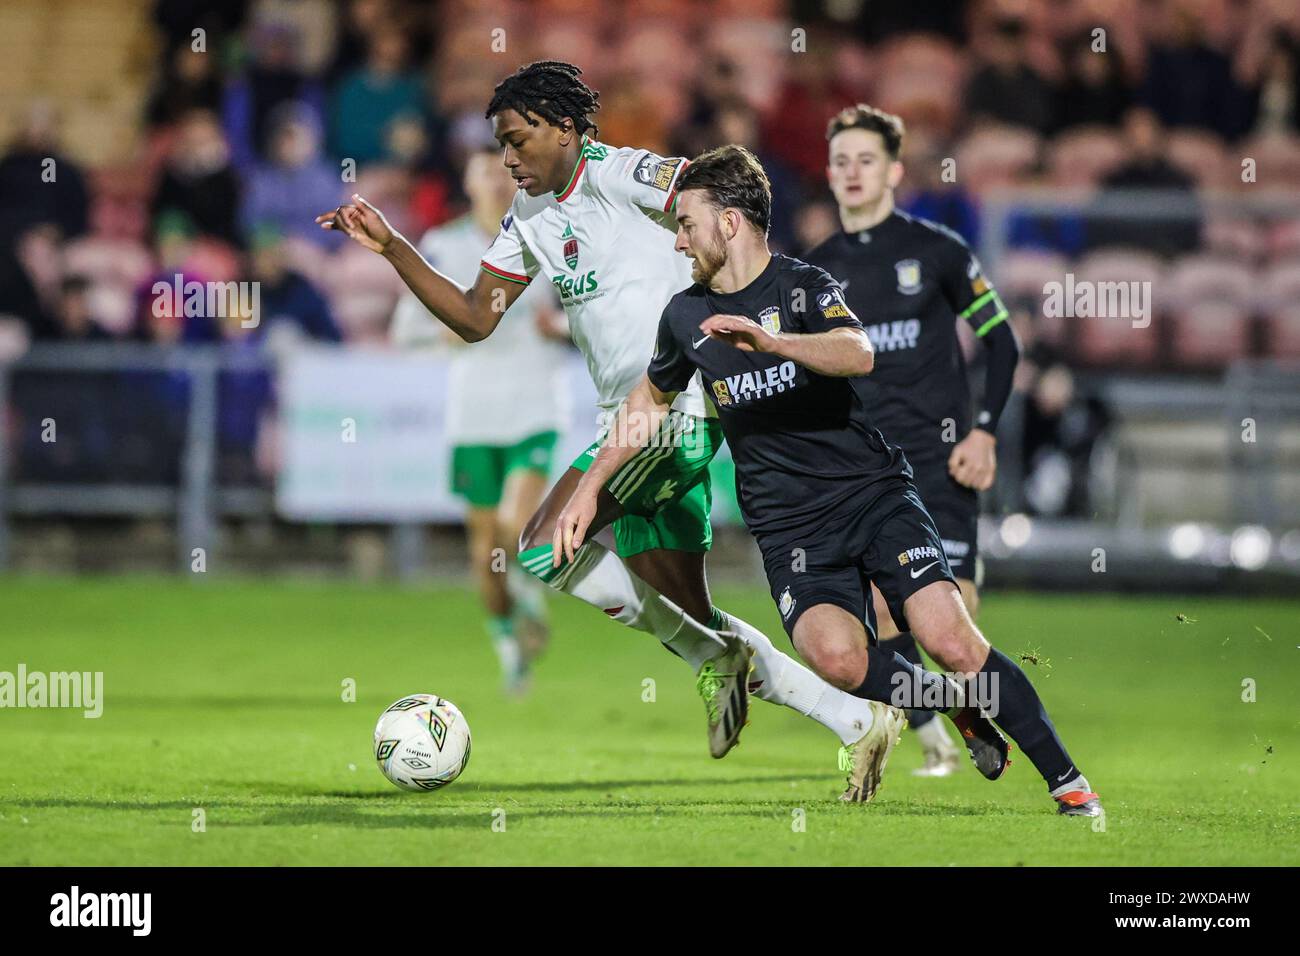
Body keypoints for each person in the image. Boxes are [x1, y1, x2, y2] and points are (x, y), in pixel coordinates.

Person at [319, 61, 905, 802]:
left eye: (518, 140)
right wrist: (394, 246)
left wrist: (750, 322)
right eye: (499, 145)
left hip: (677, 408)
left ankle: (721, 662)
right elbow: (474, 317)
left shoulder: (628, 175)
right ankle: (856, 722)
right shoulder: (529, 217)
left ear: (565, 129)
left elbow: (728, 211)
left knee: (540, 544)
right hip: (623, 422)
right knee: (691, 615)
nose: (507, 160)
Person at [554, 145, 1102, 817]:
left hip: (871, 495)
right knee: (838, 661)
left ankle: (1071, 785)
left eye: (688, 224)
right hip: (789, 527)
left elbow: (858, 352)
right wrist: (587, 493)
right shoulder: (685, 316)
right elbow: (645, 406)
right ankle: (955, 703)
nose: (680, 239)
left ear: (730, 223)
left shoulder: (802, 287)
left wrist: (778, 343)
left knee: (951, 641)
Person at [804, 104, 1021, 776]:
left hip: (942, 457)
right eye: (841, 161)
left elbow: (1002, 343)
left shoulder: (938, 252)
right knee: (882, 612)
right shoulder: (814, 272)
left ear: (895, 169)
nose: (852, 173)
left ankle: (959, 714)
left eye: (866, 160)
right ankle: (931, 732)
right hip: (867, 470)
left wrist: (984, 432)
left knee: (953, 622)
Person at [390, 145, 569, 695]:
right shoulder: (443, 245)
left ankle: (529, 590)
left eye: (502, 170)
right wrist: (443, 331)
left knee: (518, 526)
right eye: (484, 171)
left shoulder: (544, 233)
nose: (495, 179)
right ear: (466, 183)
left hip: (534, 405)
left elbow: (582, 308)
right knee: (483, 550)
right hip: (473, 416)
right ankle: (507, 642)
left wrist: (557, 328)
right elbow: (405, 329)